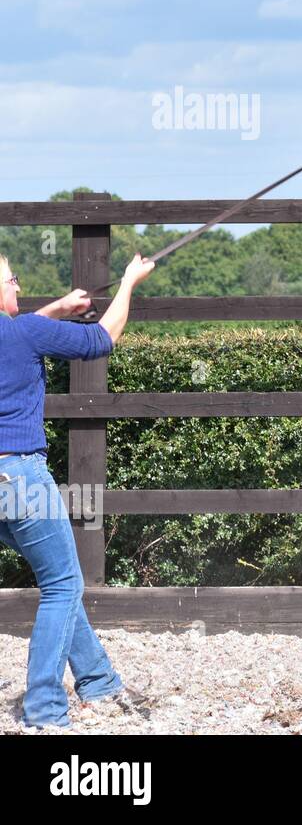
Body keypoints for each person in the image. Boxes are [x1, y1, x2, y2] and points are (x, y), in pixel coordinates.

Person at [0, 251, 154, 728]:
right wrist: (129, 282)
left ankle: (97, 680)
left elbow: (18, 335)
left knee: (57, 576)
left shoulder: (23, 329)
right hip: (19, 478)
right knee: (64, 584)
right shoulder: (24, 331)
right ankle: (44, 708)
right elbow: (102, 339)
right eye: (12, 280)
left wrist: (58, 310)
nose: (19, 288)